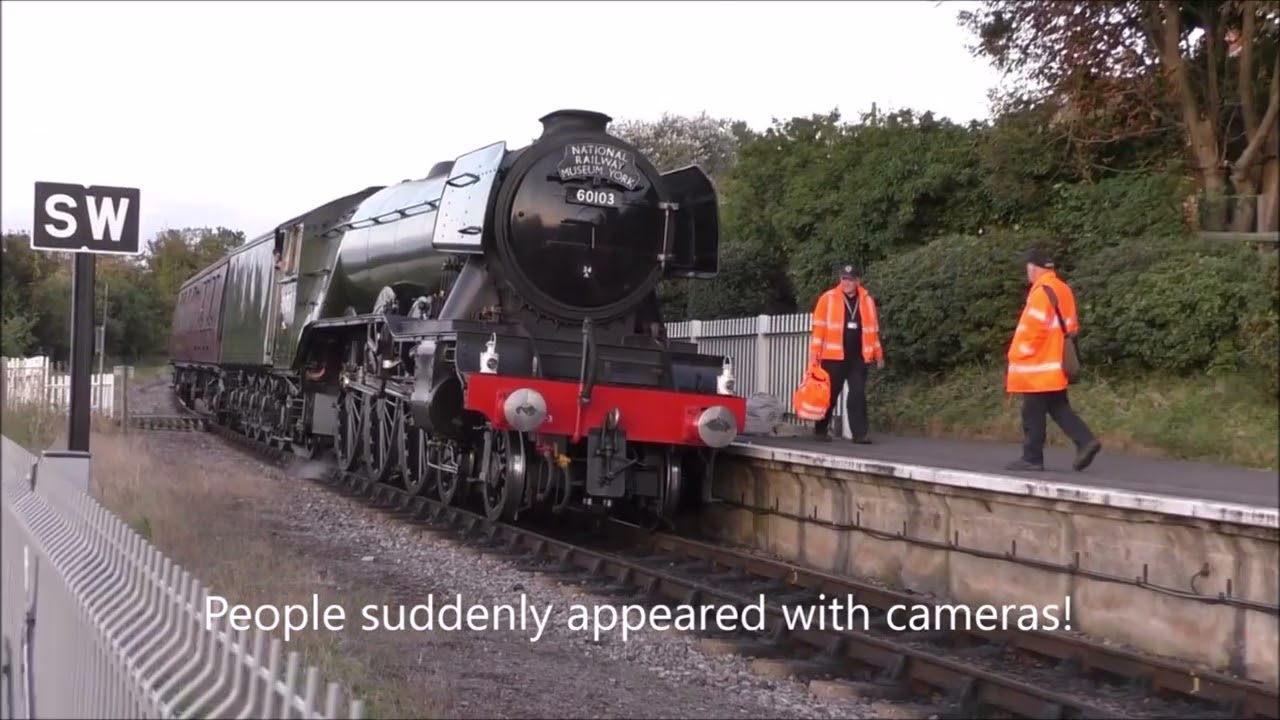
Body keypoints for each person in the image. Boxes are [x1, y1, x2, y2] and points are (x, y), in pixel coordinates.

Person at [1005, 249, 1102, 472]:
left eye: (1028, 270)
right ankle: (1085, 440)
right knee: (1058, 406)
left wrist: (1019, 354)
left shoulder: (1040, 292)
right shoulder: (1063, 288)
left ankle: (1031, 458)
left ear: (1033, 269)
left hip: (1037, 365)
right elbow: (1071, 327)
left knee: (1032, 412)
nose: (1027, 274)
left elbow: (1034, 329)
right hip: (1055, 362)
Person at [807, 263, 884, 443]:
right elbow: (818, 329)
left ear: (858, 281)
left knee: (857, 393)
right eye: (843, 279)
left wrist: (878, 353)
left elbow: (873, 330)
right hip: (833, 357)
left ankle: (859, 434)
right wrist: (814, 353)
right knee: (831, 394)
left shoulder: (867, 300)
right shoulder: (827, 298)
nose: (846, 283)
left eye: (850, 279)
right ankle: (820, 429)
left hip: (858, 356)